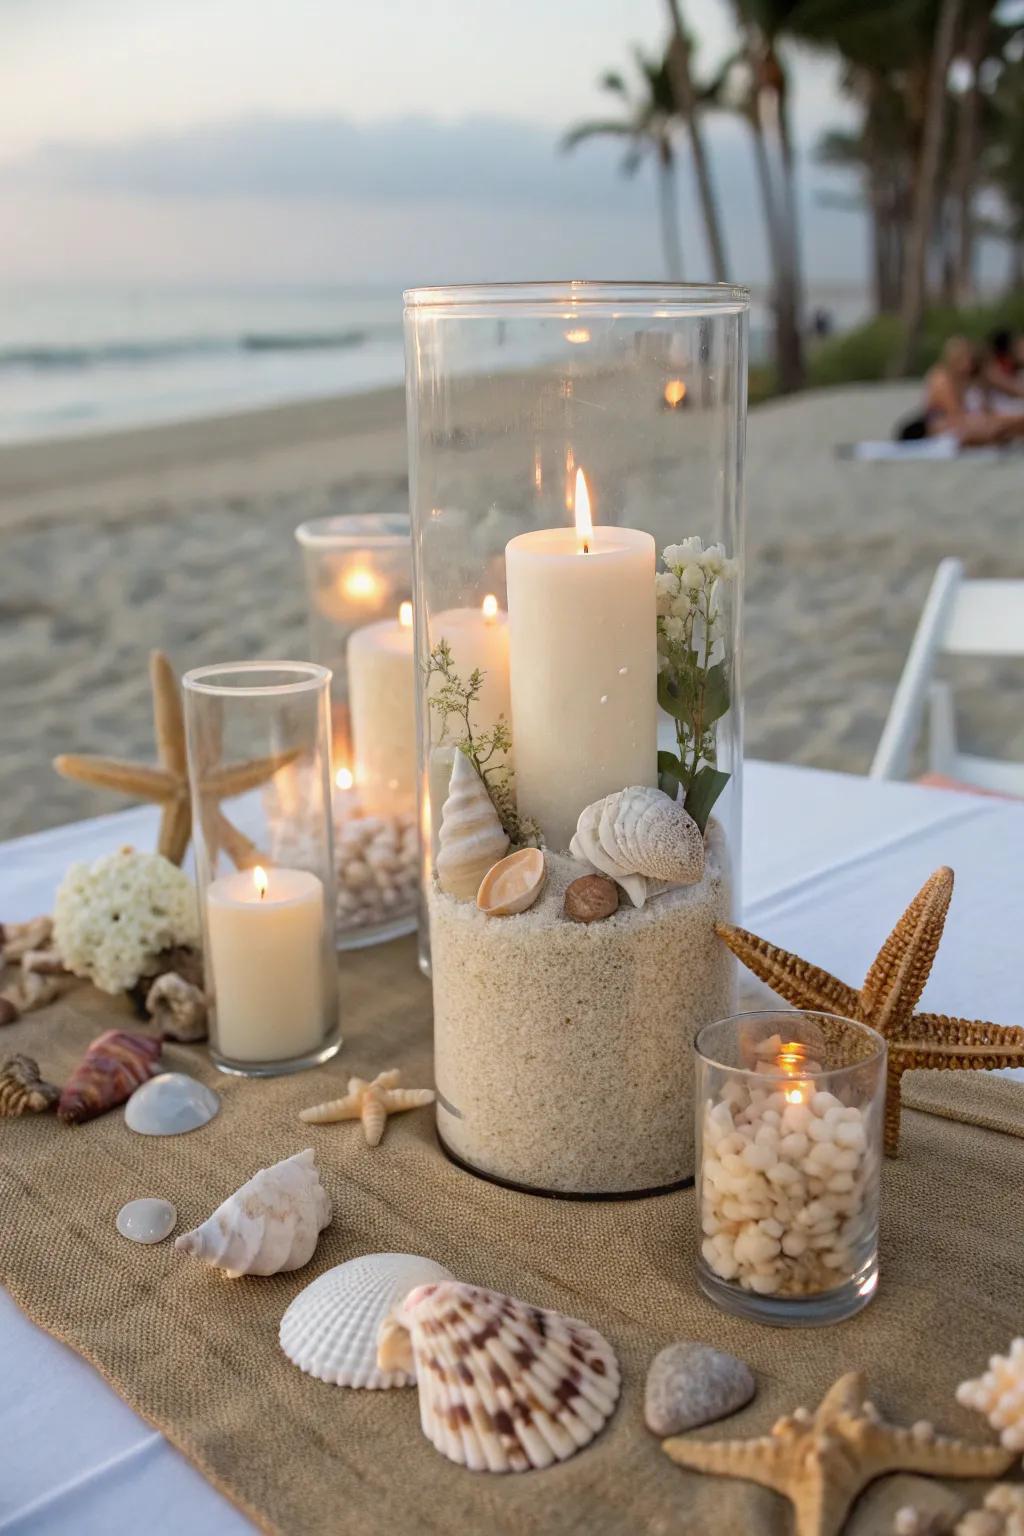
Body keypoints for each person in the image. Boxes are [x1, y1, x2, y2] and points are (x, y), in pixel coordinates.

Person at [923, 335, 1024, 445]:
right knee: (999, 425)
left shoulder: (969, 377)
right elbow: (956, 417)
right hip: (947, 428)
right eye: (961, 358)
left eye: (968, 358)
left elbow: (1010, 390)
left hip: (968, 423)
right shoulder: (941, 379)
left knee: (1006, 423)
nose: (967, 364)